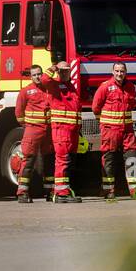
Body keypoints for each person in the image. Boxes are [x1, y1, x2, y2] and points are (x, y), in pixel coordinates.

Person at [92, 61, 136, 200]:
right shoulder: (105, 86)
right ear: (113, 72)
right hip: (110, 130)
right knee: (109, 160)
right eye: (117, 71)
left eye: (122, 71)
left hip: (128, 130)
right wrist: (105, 122)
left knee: (132, 157)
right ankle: (108, 190)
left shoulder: (130, 87)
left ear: (126, 72)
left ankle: (135, 190)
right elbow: (95, 107)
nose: (119, 74)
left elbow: (132, 105)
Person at [14, 64, 56, 203]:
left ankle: (50, 192)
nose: (38, 77)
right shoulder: (25, 91)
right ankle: (22, 192)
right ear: (31, 77)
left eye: (39, 74)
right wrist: (28, 126)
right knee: (29, 160)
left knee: (49, 160)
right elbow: (19, 114)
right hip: (33, 130)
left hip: (48, 130)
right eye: (35, 75)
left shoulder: (49, 89)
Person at [48, 60, 83, 202]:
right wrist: (54, 68)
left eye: (66, 70)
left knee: (68, 162)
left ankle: (61, 190)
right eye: (62, 71)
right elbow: (45, 78)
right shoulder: (54, 85)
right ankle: (62, 194)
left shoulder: (71, 87)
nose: (64, 73)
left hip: (72, 131)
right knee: (62, 161)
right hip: (61, 130)